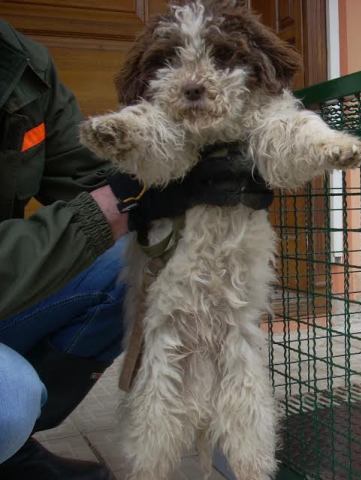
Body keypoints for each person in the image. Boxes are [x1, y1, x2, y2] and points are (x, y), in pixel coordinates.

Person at [0, 20, 260, 480]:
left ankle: (11, 446)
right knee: (9, 398)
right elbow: (108, 199)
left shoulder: (22, 64)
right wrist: (124, 198)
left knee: (131, 266)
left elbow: (83, 178)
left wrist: (172, 174)